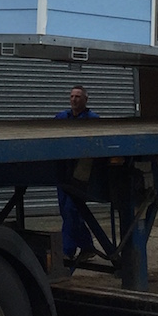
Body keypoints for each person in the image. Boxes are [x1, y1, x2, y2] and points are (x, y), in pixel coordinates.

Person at [55, 85, 99, 265]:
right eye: (72, 96)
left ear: (85, 100)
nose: (74, 99)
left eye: (78, 97)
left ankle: (68, 251)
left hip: (82, 172)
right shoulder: (61, 117)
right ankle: (87, 245)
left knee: (72, 210)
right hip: (63, 170)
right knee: (66, 212)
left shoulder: (92, 120)